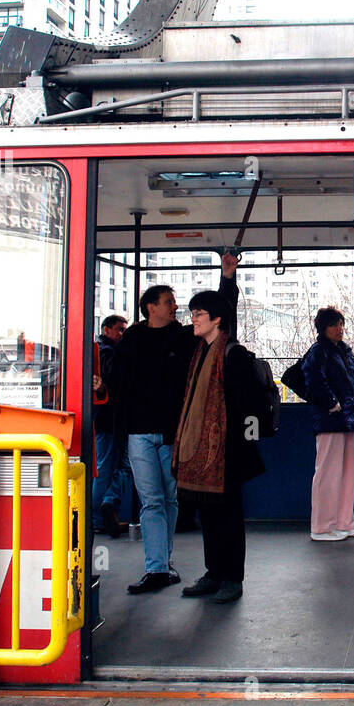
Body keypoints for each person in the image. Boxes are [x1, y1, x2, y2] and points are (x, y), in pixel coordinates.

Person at [111, 254, 238, 594]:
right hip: (139, 431)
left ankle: (163, 565)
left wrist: (227, 278)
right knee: (152, 500)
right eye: (169, 302)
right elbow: (115, 380)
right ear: (151, 307)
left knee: (169, 498)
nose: (176, 307)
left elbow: (221, 316)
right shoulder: (131, 341)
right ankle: (157, 567)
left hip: (173, 433)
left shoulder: (185, 338)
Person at [175, 289, 266, 604]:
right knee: (209, 515)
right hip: (203, 453)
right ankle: (213, 572)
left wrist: (242, 443)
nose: (193, 320)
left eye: (199, 314)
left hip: (228, 452)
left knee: (228, 515)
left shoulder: (233, 354)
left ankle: (232, 578)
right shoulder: (200, 352)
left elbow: (250, 403)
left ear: (217, 319)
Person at [302, 306, 354, 542]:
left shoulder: (345, 352)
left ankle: (344, 522)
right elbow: (313, 380)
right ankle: (321, 526)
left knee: (346, 473)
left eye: (341, 324)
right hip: (330, 420)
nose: (339, 329)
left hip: (347, 419)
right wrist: (332, 403)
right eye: (334, 324)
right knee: (328, 474)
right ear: (323, 328)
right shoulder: (318, 351)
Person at [92, 314, 131, 537]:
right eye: (119, 329)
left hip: (113, 420)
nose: (121, 334)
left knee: (120, 466)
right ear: (106, 330)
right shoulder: (106, 353)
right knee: (107, 469)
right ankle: (99, 516)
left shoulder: (107, 351)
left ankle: (107, 505)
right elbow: (112, 381)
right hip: (108, 420)